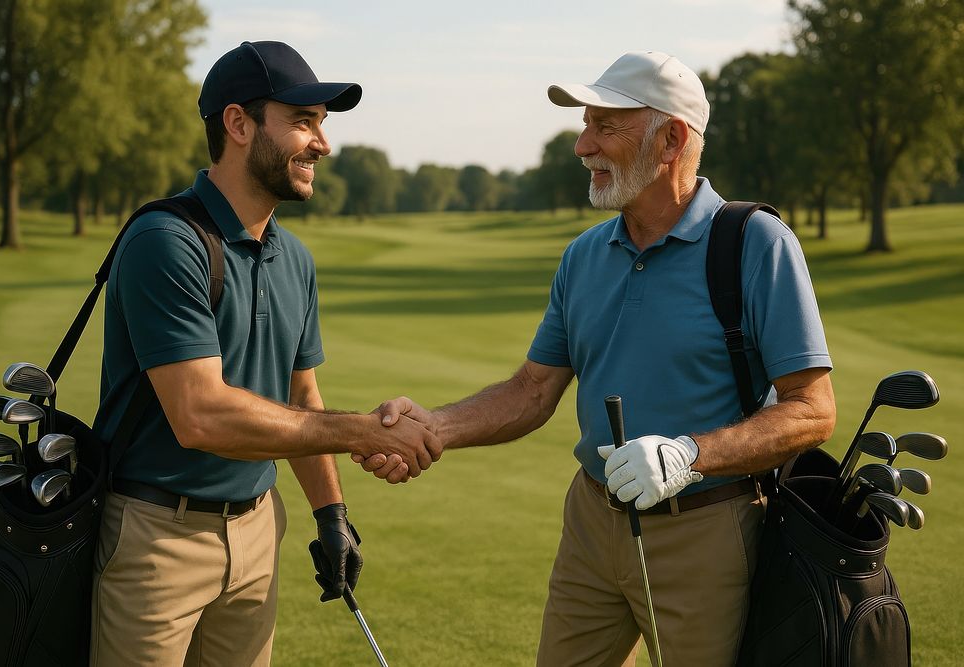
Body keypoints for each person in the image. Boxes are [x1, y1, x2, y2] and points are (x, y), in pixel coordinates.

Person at [357, 51, 836, 666]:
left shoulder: (754, 242)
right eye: (585, 126)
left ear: (671, 139)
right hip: (592, 521)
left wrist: (688, 455)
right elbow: (534, 389)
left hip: (704, 526)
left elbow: (811, 411)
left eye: (605, 127)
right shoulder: (584, 255)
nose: (582, 146)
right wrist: (436, 427)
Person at [90, 41, 439, 667]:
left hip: (257, 532)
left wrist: (331, 514)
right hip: (157, 538)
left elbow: (302, 398)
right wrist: (363, 431)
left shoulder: (294, 258)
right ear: (239, 124)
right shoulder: (165, 240)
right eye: (303, 122)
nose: (322, 144)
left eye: (321, 124)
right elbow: (201, 416)